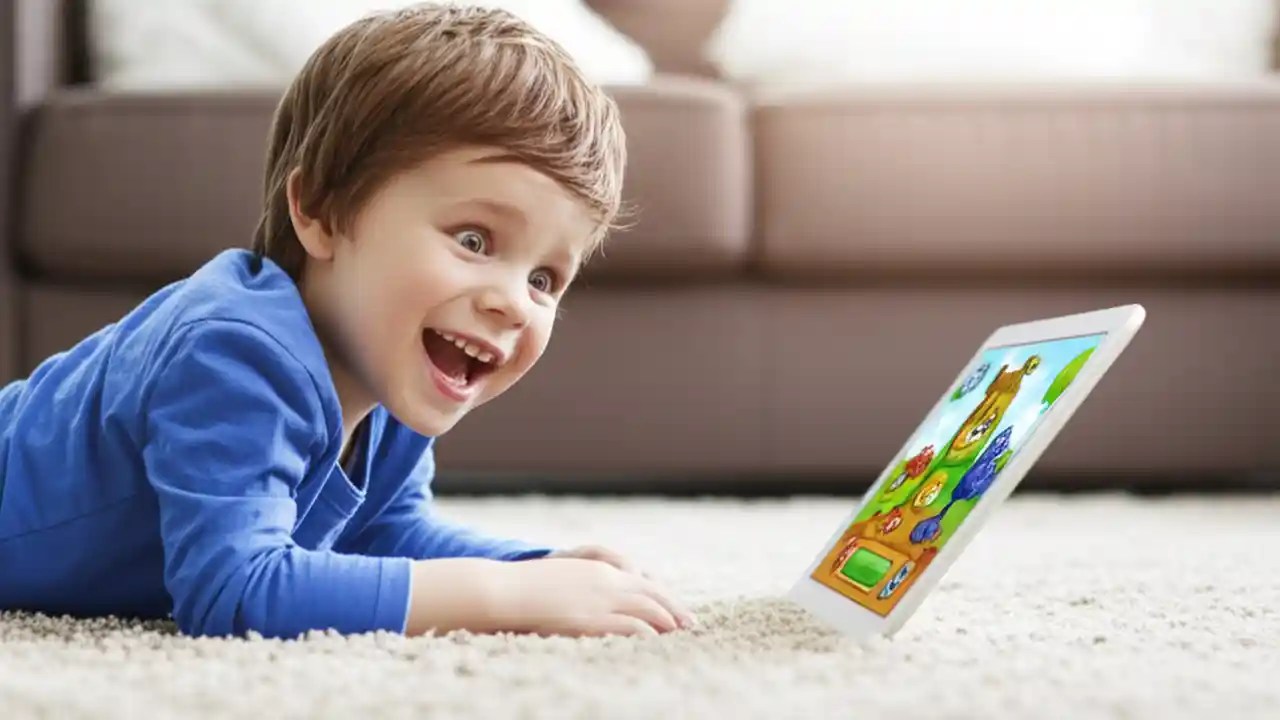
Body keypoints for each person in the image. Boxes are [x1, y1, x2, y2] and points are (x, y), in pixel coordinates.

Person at [0, 3, 695, 640]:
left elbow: (386, 534)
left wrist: (543, 567)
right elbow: (232, 590)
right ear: (323, 211)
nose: (513, 302)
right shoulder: (234, 349)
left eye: (544, 278)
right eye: (475, 240)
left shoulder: (384, 373)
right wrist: (504, 594)